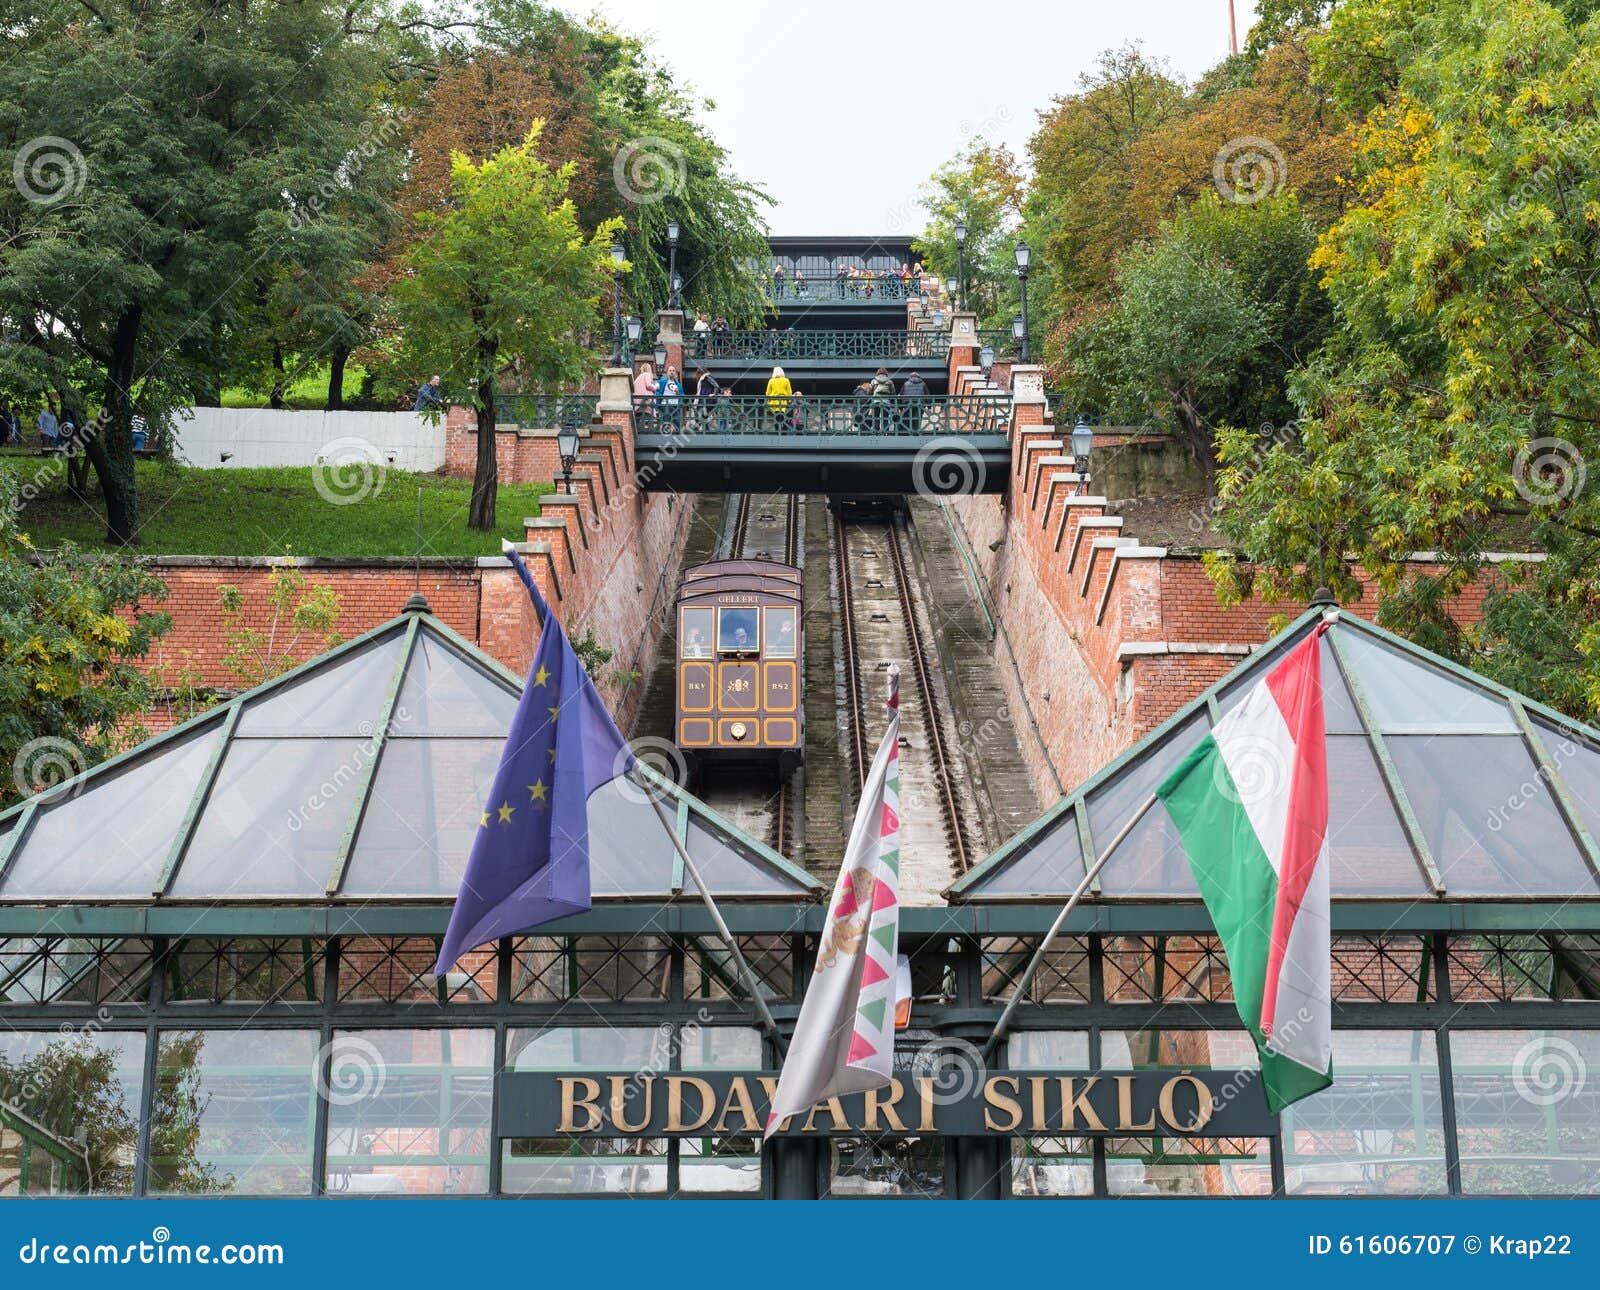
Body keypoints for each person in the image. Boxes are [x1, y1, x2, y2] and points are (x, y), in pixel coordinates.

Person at [655, 365, 683, 430]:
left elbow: (682, 396)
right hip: (664, 404)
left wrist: (677, 392)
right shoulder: (662, 381)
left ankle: (673, 431)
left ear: (675, 373)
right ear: (667, 372)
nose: (672, 372)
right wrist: (658, 390)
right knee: (667, 413)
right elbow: (656, 390)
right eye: (670, 370)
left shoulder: (678, 385)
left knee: (678, 421)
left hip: (675, 406)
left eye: (673, 371)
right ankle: (665, 428)